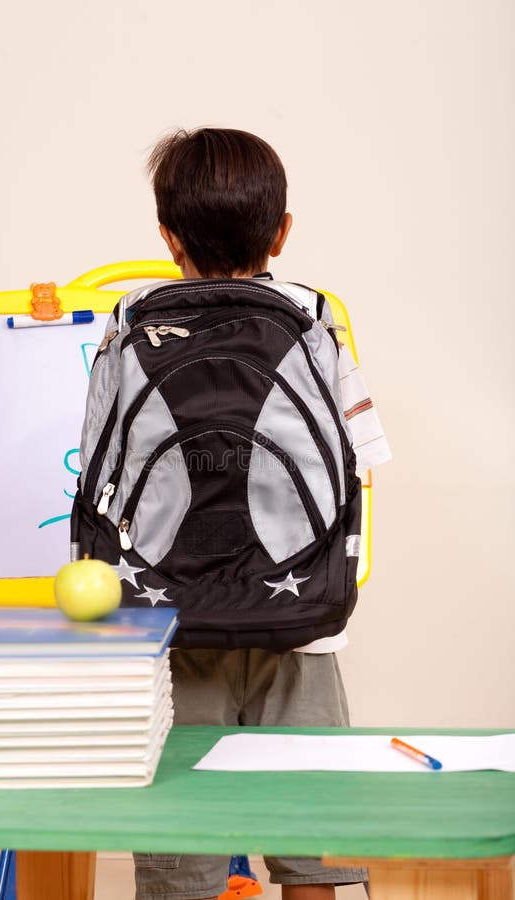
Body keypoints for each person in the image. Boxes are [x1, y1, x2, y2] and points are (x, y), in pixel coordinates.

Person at [131, 127, 391, 900]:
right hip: (303, 620)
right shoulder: (314, 320)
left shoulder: (130, 322)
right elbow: (363, 464)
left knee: (182, 830)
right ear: (282, 232)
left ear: (167, 237)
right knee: (308, 815)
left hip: (177, 621)